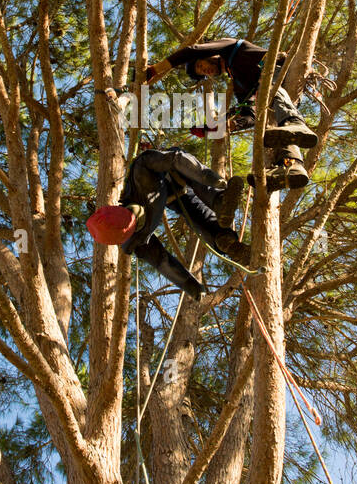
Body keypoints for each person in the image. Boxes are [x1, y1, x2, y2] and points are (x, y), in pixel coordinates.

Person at [144, 37, 316, 190]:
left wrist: (156, 69)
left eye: (200, 64)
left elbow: (192, 51)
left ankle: (294, 121)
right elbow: (250, 116)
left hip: (282, 75)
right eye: (201, 72)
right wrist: (215, 128)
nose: (204, 70)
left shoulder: (232, 47)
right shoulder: (239, 83)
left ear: (210, 53)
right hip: (278, 103)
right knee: (270, 122)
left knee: (267, 89)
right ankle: (290, 165)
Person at [87, 144, 248, 299]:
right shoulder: (140, 171)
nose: (138, 218)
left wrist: (190, 285)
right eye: (136, 221)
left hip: (171, 182)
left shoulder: (135, 239)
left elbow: (162, 262)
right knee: (191, 196)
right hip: (174, 188)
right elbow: (175, 158)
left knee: (193, 204)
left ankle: (220, 226)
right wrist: (213, 180)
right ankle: (220, 220)